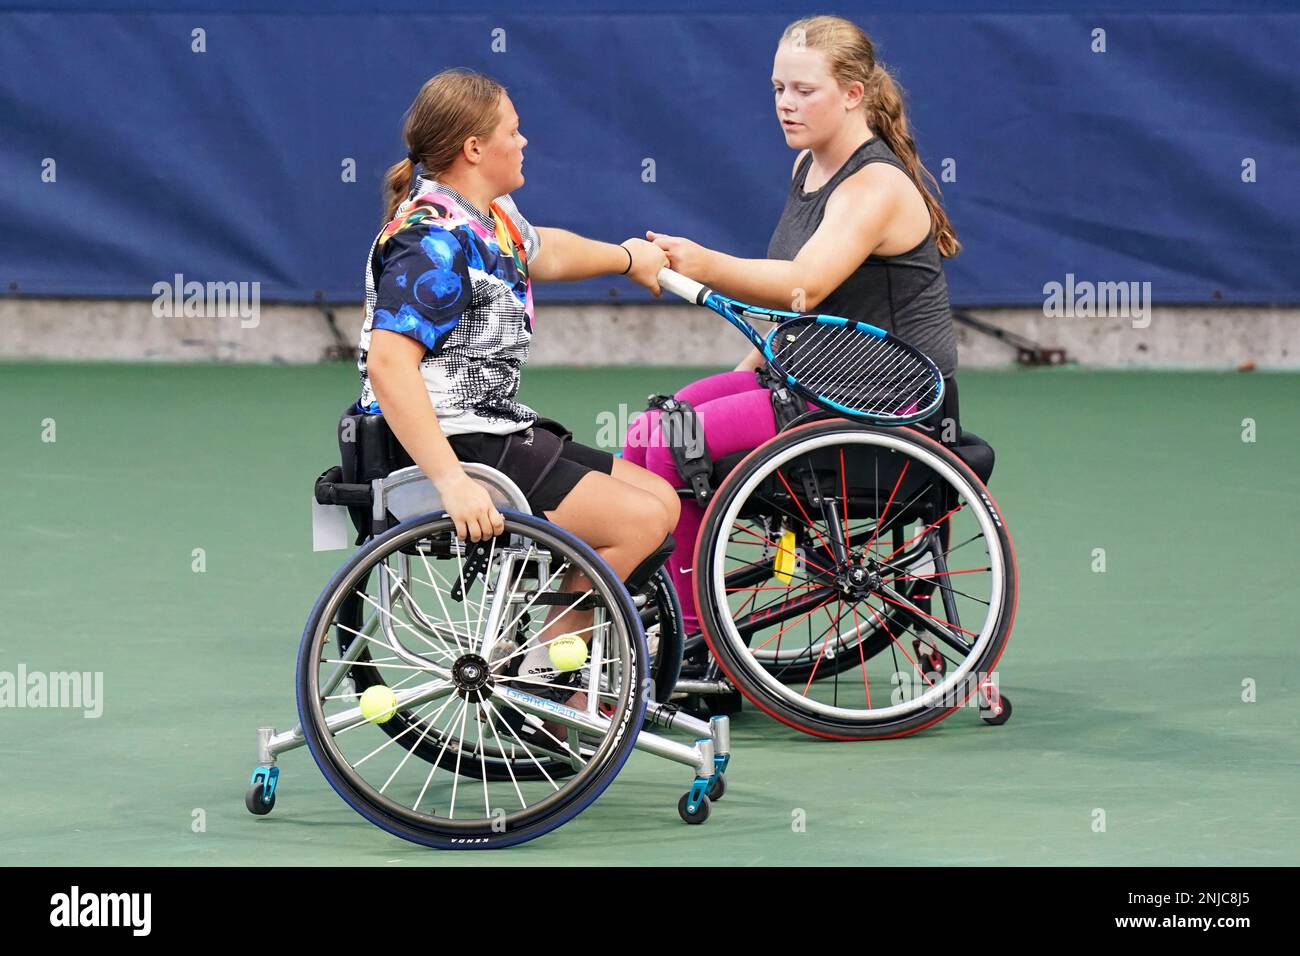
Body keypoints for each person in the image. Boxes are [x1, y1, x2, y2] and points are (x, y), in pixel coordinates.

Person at [356, 68, 679, 729]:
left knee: (661, 501)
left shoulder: (490, 216)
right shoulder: (431, 238)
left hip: (495, 427)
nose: (524, 141)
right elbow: (389, 365)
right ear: (474, 148)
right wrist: (451, 481)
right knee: (637, 524)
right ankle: (542, 681)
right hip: (452, 441)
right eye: (513, 130)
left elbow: (544, 251)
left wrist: (626, 257)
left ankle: (557, 654)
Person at [624, 14, 964, 636]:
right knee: (650, 429)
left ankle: (692, 635)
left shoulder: (875, 186)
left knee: (677, 445)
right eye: (779, 88)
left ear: (853, 94)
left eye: (805, 90)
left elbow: (803, 283)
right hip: (815, 378)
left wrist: (702, 263)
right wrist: (746, 372)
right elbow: (799, 311)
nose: (786, 103)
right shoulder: (808, 165)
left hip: (884, 402)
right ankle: (648, 602)